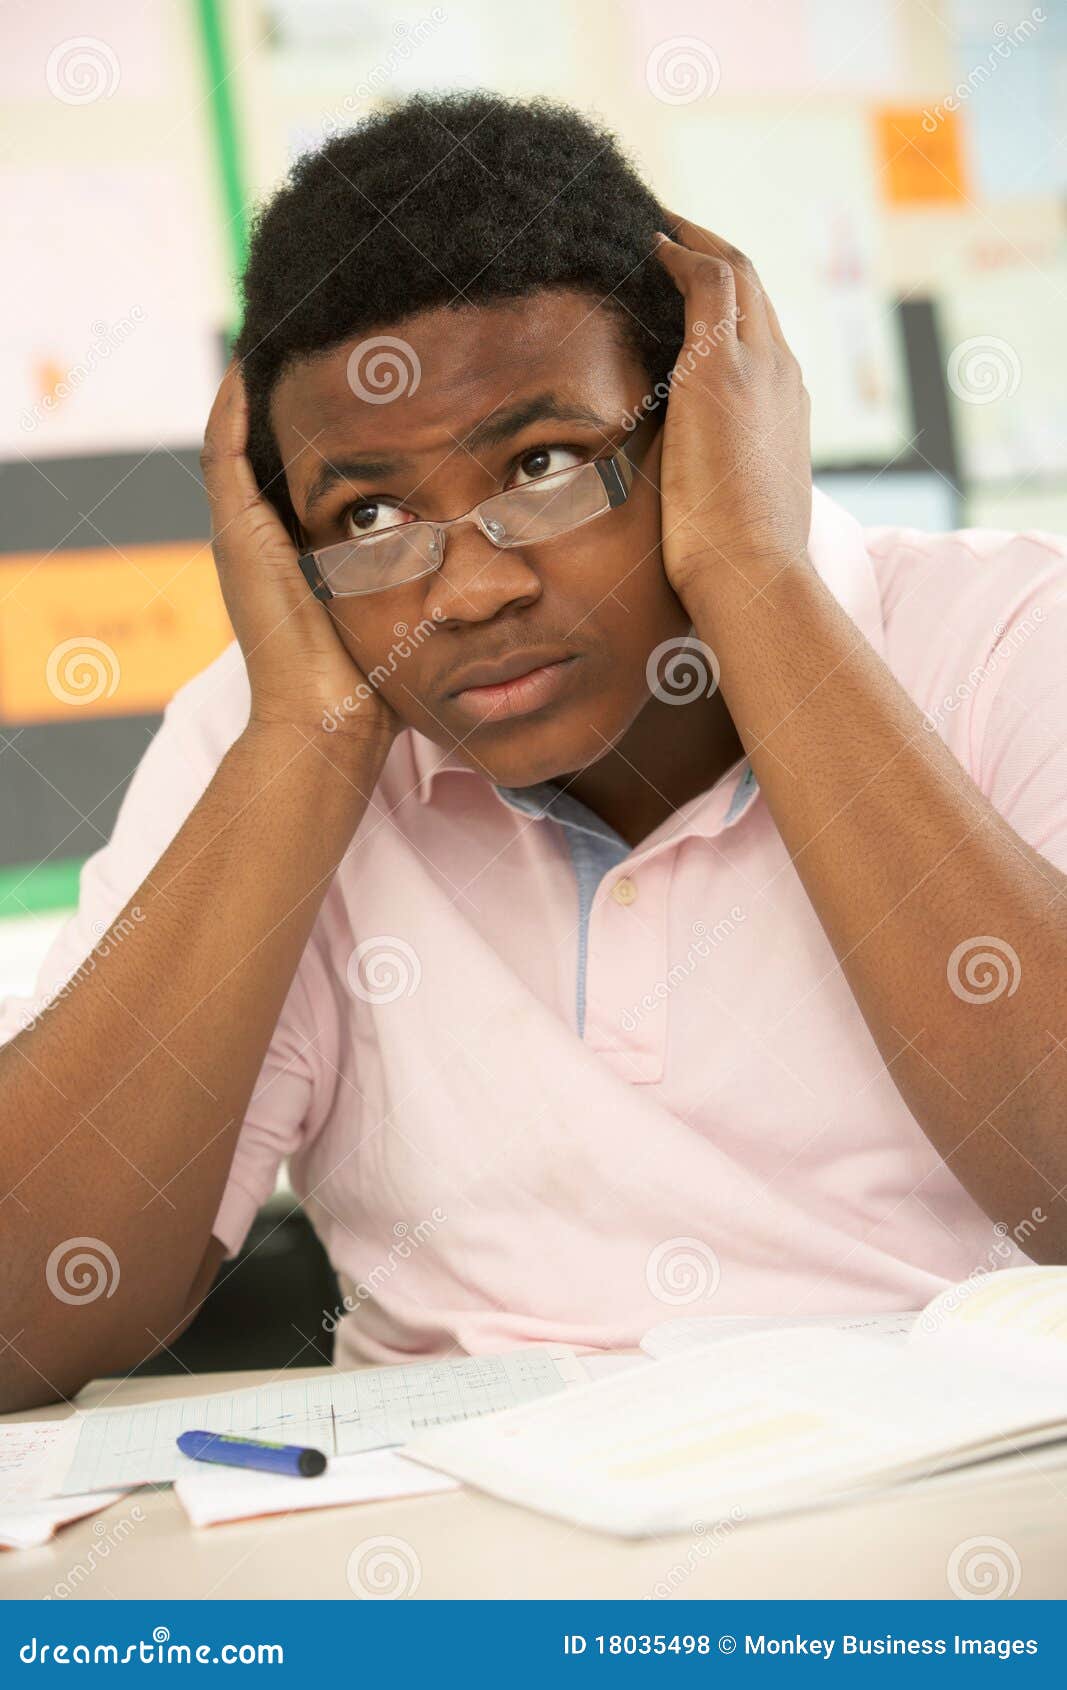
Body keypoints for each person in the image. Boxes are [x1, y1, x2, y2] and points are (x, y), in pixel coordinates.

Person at [2, 92, 1065, 1414]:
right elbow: (18, 1319)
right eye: (371, 512)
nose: (464, 589)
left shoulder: (1010, 638)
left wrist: (755, 576)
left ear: (708, 432)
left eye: (545, 461)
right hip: (457, 1561)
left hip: (941, 1527)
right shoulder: (274, 730)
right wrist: (304, 747)